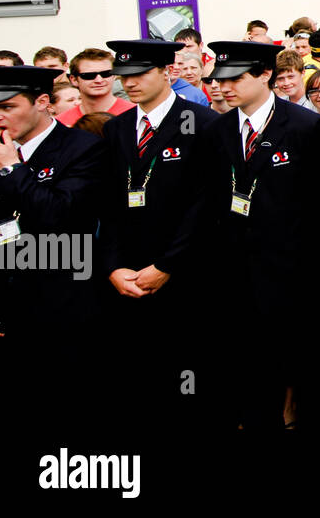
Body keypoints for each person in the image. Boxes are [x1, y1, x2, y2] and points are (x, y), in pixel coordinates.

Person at [204, 40, 320, 429]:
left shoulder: (305, 126)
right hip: (237, 268)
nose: (224, 87)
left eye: (236, 78)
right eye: (219, 79)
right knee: (250, 362)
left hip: (293, 269)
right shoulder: (219, 130)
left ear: (265, 76)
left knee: (298, 360)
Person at [98, 40, 223, 427]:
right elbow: (111, 204)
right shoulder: (117, 128)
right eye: (124, 77)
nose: (129, 84)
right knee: (142, 376)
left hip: (186, 274)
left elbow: (205, 206)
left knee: (191, 374)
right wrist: (114, 266)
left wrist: (167, 265)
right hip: (131, 275)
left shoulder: (202, 122)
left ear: (166, 72)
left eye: (139, 75)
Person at [0, 64, 108, 425]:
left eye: (7, 107)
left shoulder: (82, 148)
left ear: (43, 102)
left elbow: (61, 216)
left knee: (65, 408)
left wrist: (12, 169)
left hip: (64, 303)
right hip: (7, 304)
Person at [54, 48, 135, 126]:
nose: (99, 80)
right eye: (89, 75)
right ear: (74, 80)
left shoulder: (136, 115)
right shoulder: (61, 123)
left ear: (114, 75)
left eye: (106, 74)